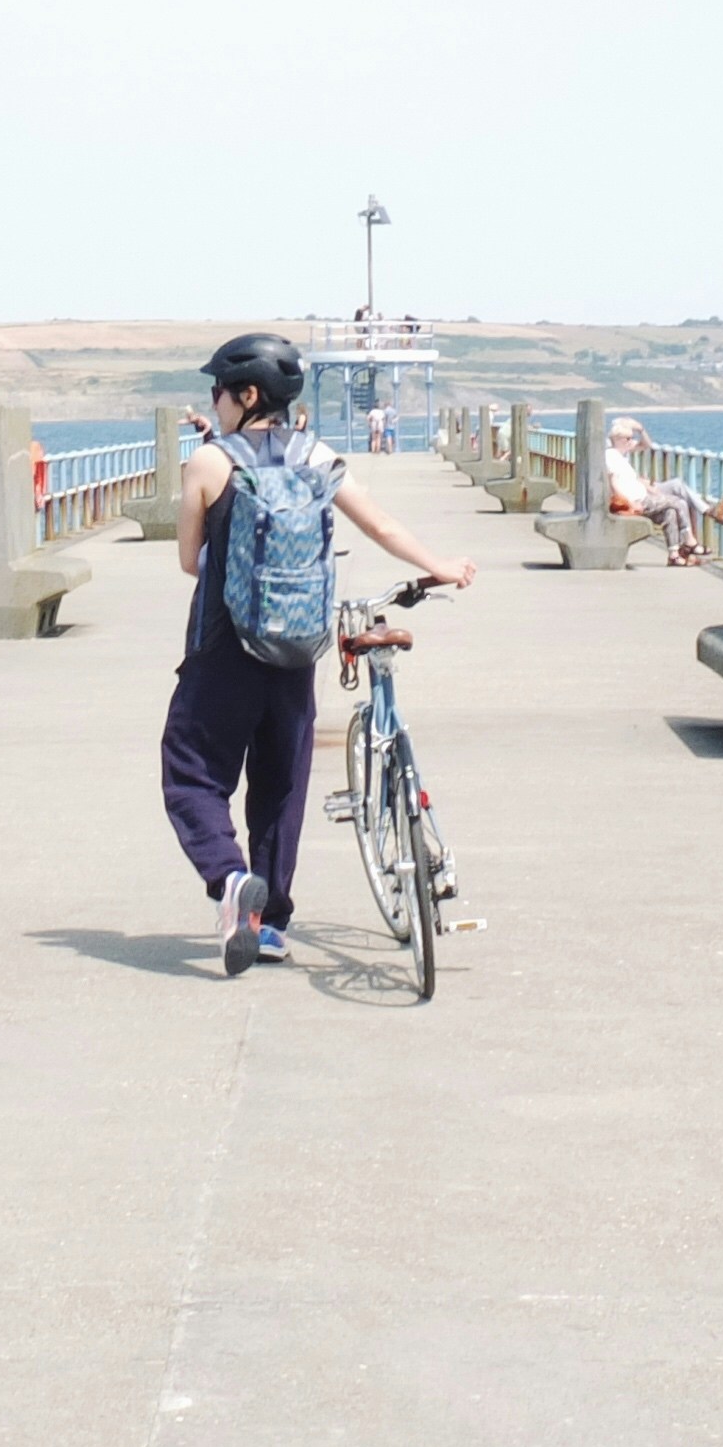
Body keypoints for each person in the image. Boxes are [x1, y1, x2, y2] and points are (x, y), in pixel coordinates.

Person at [170, 331, 477, 974]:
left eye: (220, 391)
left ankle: (230, 882)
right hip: (295, 651)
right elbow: (381, 527)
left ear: (247, 395)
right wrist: (441, 566)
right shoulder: (320, 455)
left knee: (191, 771)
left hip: (224, 650)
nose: (215, 401)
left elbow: (190, 562)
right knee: (281, 785)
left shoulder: (209, 463)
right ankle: (273, 921)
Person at [601, 417, 710, 565]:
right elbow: (613, 484)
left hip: (642, 497)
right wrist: (630, 504)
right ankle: (690, 541)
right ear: (619, 439)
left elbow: (647, 445)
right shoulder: (611, 456)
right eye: (628, 438)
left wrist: (641, 429)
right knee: (678, 502)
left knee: (669, 512)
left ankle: (674, 555)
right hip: (636, 502)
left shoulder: (621, 455)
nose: (631, 441)